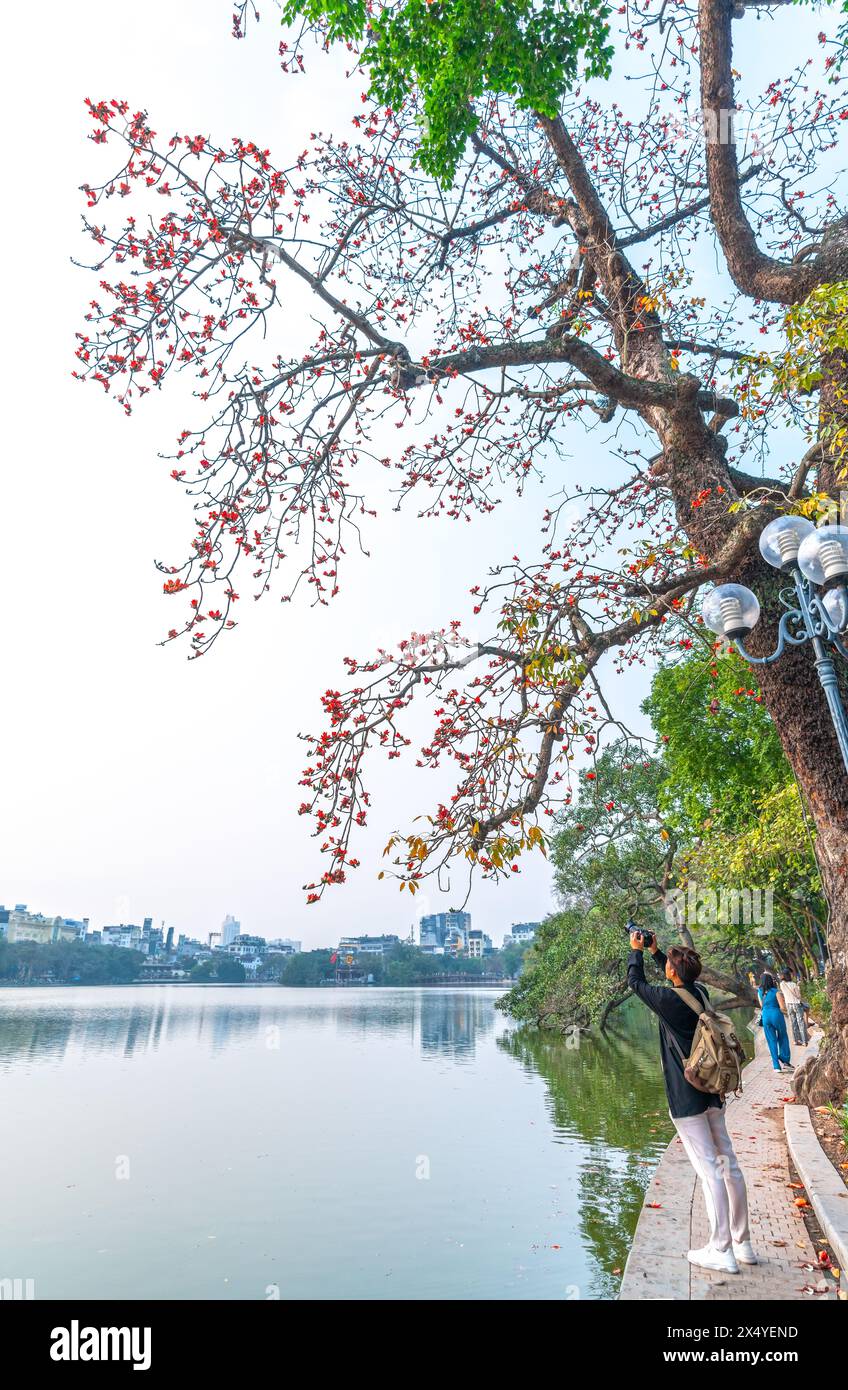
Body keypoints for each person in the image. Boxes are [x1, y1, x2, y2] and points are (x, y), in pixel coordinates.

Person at [628, 931, 755, 1276]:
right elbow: (676, 982)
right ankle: (743, 1243)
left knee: (710, 1169)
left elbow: (635, 983)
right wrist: (657, 951)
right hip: (712, 1089)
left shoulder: (668, 1000)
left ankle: (721, 1248)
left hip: (687, 1097)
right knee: (728, 1163)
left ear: (672, 971)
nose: (665, 967)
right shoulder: (698, 992)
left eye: (667, 963)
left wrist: (636, 951)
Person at [758, 972, 793, 1070]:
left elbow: (762, 1006)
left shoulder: (759, 991)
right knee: (783, 1037)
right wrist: (787, 1012)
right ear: (771, 981)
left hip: (765, 1017)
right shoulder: (776, 991)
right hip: (776, 1015)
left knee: (771, 1040)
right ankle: (785, 1060)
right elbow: (782, 1007)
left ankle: (776, 1066)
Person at [780, 970, 807, 1046]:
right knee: (800, 1022)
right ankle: (804, 1041)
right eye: (790, 974)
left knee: (793, 1023)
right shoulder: (793, 984)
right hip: (796, 1004)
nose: (792, 975)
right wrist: (798, 987)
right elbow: (799, 996)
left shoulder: (782, 984)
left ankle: (795, 1040)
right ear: (788, 975)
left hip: (789, 1005)